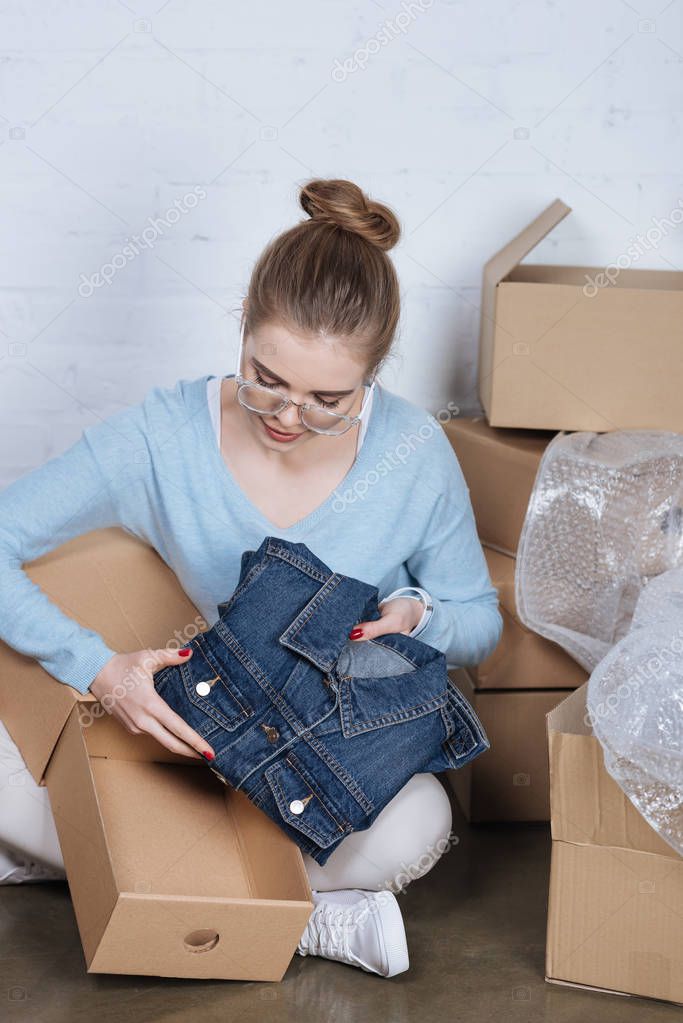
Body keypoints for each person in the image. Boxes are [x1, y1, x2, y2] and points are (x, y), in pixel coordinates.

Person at [0, 178, 502, 978]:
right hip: (176, 739)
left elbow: (479, 618)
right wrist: (98, 666)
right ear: (242, 324)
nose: (287, 418)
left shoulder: (414, 453)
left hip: (315, 760)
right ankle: (295, 911)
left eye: (328, 398)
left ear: (374, 375)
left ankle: (121, 872)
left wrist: (416, 612)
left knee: (422, 819)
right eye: (265, 376)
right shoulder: (163, 435)